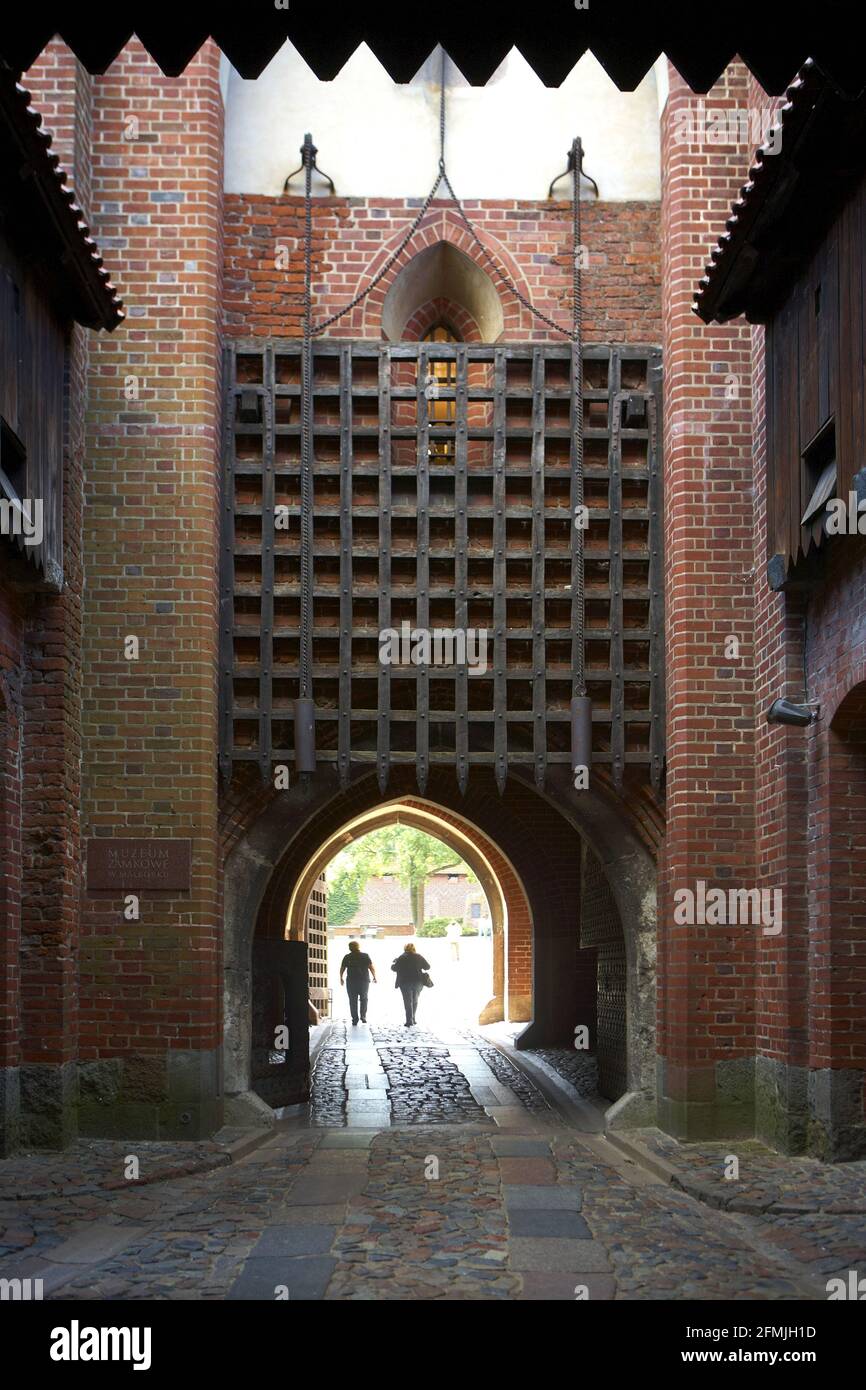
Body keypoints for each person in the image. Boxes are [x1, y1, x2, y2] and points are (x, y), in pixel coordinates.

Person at [391, 942, 430, 1027]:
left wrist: (394, 964)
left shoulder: (401, 957)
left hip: (405, 982)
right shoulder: (419, 956)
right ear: (414, 948)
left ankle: (409, 1021)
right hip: (418, 981)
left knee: (407, 1001)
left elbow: (394, 968)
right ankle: (413, 1018)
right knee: (415, 1000)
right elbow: (427, 967)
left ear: (405, 949)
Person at [339, 940, 376, 1026]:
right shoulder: (365, 956)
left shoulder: (347, 957)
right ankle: (363, 1016)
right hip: (364, 981)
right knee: (364, 998)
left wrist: (341, 978)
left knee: (352, 1000)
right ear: (358, 947)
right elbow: (371, 967)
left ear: (350, 948)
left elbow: (342, 968)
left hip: (351, 981)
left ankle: (355, 1019)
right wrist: (374, 976)